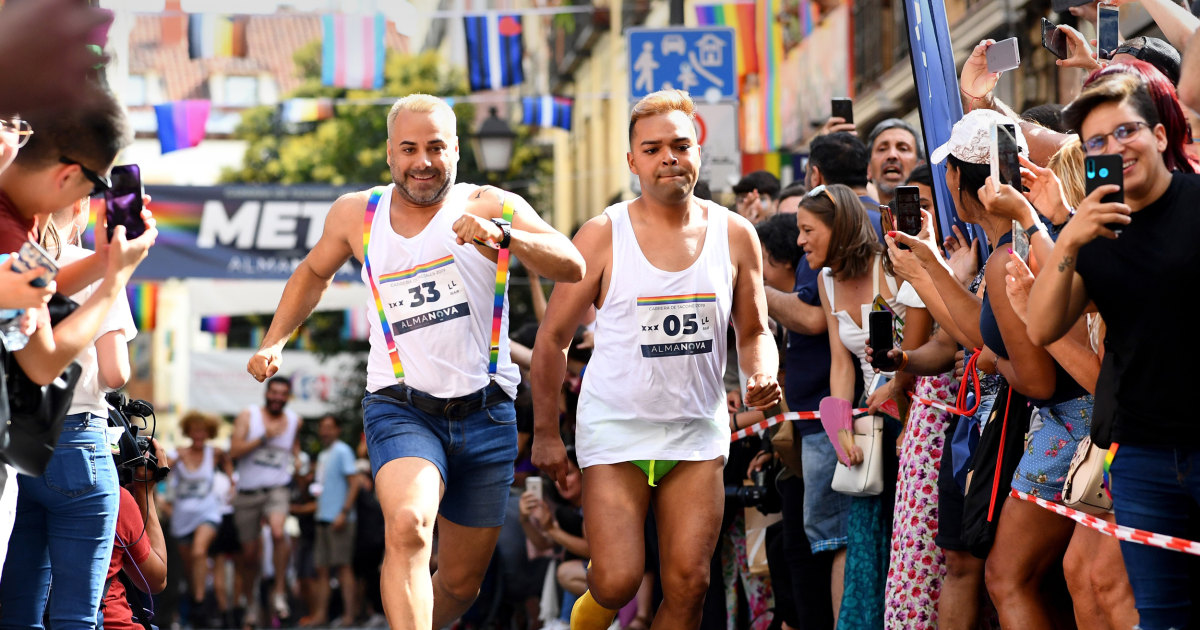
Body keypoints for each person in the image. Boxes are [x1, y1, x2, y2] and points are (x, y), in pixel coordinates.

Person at [247, 93, 584, 629]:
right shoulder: (357, 214)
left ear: (456, 150)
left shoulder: (491, 204)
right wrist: (274, 341)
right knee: (408, 524)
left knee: (459, 583)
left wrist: (507, 236)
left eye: (435, 147)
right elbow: (313, 273)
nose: (422, 161)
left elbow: (572, 265)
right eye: (409, 149)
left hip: (487, 412)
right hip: (401, 407)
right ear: (390, 153)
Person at [531, 89, 781, 630]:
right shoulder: (602, 235)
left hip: (695, 432)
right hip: (616, 431)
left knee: (689, 586)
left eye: (680, 145)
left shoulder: (736, 235)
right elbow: (552, 339)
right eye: (652, 149)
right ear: (633, 161)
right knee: (617, 580)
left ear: (698, 153)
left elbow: (754, 330)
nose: (668, 157)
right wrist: (547, 433)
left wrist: (762, 372)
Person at [1028, 68, 1200, 630]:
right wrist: (1069, 238)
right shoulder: (1096, 231)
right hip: (1141, 454)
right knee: (1161, 617)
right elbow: (1042, 326)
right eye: (1097, 142)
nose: (1114, 148)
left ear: (1160, 134)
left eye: (1126, 131)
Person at [0, 87, 157, 629]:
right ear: (70, 176)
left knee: (19, 611)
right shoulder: (10, 225)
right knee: (76, 616)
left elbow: (33, 289)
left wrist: (107, 262)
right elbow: (42, 363)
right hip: (73, 443)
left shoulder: (18, 226)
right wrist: (112, 284)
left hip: (26, 444)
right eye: (95, 185)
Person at [798, 183, 931, 627]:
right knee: (869, 537)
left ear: (839, 227)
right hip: (872, 419)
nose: (800, 241)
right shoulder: (825, 281)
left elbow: (925, 338)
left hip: (918, 410)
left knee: (913, 535)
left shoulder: (889, 265)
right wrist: (840, 430)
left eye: (808, 230)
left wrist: (898, 387)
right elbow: (841, 364)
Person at [228, 376, 301, 626]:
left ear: (288, 397)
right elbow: (234, 451)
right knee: (249, 556)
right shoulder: (249, 416)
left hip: (277, 489)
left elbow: (294, 448)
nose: (278, 398)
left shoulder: (294, 421)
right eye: (274, 392)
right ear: (267, 393)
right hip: (248, 493)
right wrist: (263, 438)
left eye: (283, 394)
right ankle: (250, 603)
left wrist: (298, 460)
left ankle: (279, 592)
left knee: (279, 532)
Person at [168, 410, 233, 628]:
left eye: (203, 431)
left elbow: (229, 464)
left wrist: (232, 484)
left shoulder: (215, 453)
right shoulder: (178, 453)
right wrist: (175, 460)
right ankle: (196, 601)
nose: (198, 435)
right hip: (182, 516)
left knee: (199, 551)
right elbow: (162, 470)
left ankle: (200, 603)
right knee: (189, 568)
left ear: (209, 433)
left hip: (208, 512)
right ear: (188, 432)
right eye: (195, 430)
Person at [99, 439, 170, 630]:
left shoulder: (28, 494)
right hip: (109, 622)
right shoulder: (115, 498)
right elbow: (155, 581)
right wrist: (145, 490)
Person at [306, 415, 361, 627]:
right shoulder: (323, 454)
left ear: (338, 430)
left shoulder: (342, 451)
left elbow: (354, 483)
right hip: (323, 518)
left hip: (340, 519)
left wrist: (343, 512)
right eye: (322, 427)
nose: (325, 431)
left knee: (344, 567)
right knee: (322, 569)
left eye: (329, 427)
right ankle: (321, 615)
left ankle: (349, 616)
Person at [805, 132, 886, 242]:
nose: (801, 240)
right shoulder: (890, 221)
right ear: (868, 170)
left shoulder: (820, 228)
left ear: (815, 175)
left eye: (807, 171)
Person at [865, 118, 924, 207]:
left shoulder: (937, 213)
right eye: (882, 149)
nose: (892, 155)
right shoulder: (855, 215)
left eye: (903, 149)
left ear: (920, 165)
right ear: (868, 168)